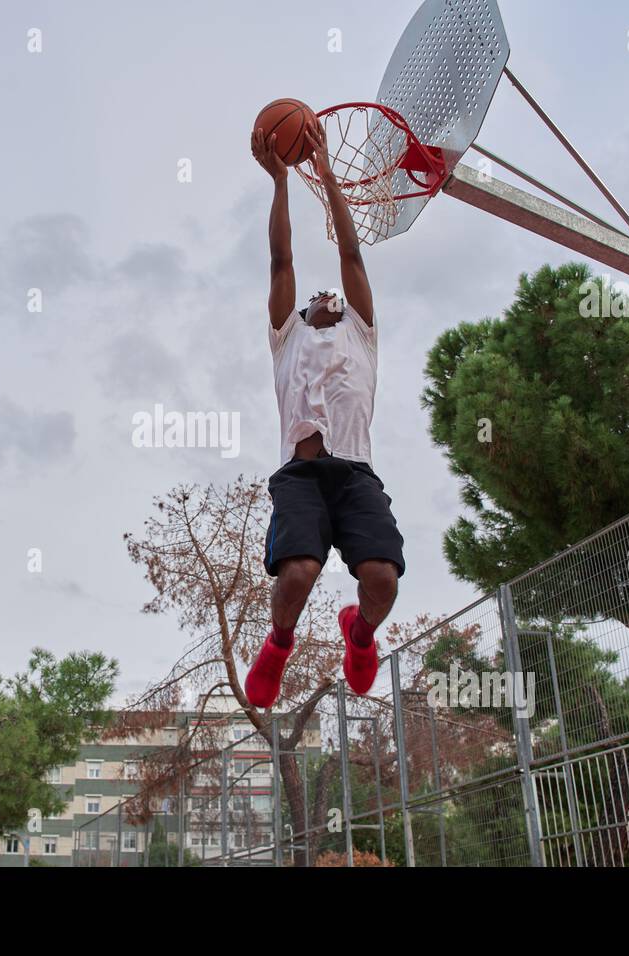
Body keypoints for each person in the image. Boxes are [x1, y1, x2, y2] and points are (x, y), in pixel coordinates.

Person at [243, 123, 405, 708]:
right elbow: (281, 257)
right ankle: (279, 646)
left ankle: (359, 636)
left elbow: (350, 252)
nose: (326, 296)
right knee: (297, 574)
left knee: (383, 578)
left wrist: (328, 175)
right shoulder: (286, 338)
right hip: (301, 474)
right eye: (317, 296)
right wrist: (282, 180)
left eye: (332, 295)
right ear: (304, 310)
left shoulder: (362, 334)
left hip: (356, 474)